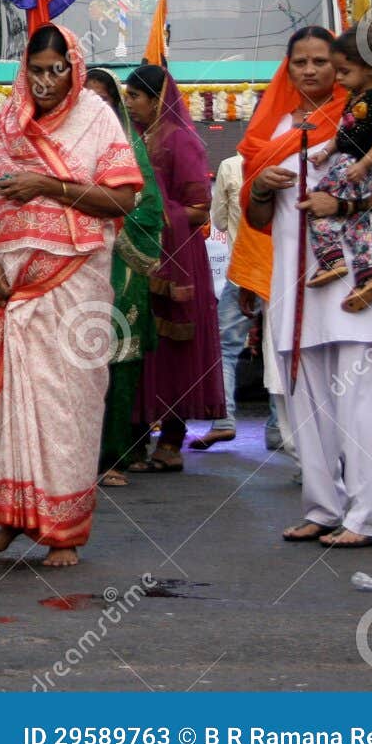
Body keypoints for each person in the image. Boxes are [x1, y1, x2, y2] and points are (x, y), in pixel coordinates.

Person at [0, 24, 140, 567]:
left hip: (70, 284)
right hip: (7, 288)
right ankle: (14, 520)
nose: (44, 81)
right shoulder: (8, 121)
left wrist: (47, 187)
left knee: (62, 407)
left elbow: (124, 199)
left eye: (55, 70)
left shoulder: (96, 117)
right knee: (8, 409)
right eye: (35, 70)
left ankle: (63, 531)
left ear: (74, 67)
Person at [242, 26, 372, 549]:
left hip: (362, 280)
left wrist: (344, 205)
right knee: (307, 399)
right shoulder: (271, 126)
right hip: (298, 281)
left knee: (365, 398)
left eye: (322, 61)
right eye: (300, 62)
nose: (311, 71)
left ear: (340, 65)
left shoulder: (364, 112)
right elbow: (256, 218)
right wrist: (260, 185)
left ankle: (367, 518)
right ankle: (323, 509)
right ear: (288, 67)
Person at [122, 64, 225, 474]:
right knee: (143, 346)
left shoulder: (181, 141)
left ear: (156, 99)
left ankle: (171, 441)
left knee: (174, 349)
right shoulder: (139, 139)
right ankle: (135, 440)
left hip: (177, 255)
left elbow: (200, 210)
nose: (129, 104)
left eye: (135, 96)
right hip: (142, 254)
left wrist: (151, 211)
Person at [83, 68, 164, 485]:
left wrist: (105, 217)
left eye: (104, 100)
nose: (95, 108)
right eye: (87, 98)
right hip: (72, 263)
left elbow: (149, 209)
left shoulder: (128, 146)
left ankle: (113, 455)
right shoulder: (65, 144)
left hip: (118, 266)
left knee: (119, 358)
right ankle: (70, 457)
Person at [305, 27, 372, 313]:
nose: (339, 78)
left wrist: (363, 164)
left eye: (344, 71)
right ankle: (369, 279)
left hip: (360, 166)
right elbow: (343, 132)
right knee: (363, 224)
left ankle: (332, 259)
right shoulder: (355, 95)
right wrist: (325, 152)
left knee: (315, 203)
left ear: (368, 67)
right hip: (353, 162)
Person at [192, 152, 249, 451]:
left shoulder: (230, 166)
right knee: (284, 349)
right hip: (286, 275)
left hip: (244, 271)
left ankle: (224, 421)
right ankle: (280, 429)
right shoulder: (295, 157)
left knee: (225, 345)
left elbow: (220, 222)